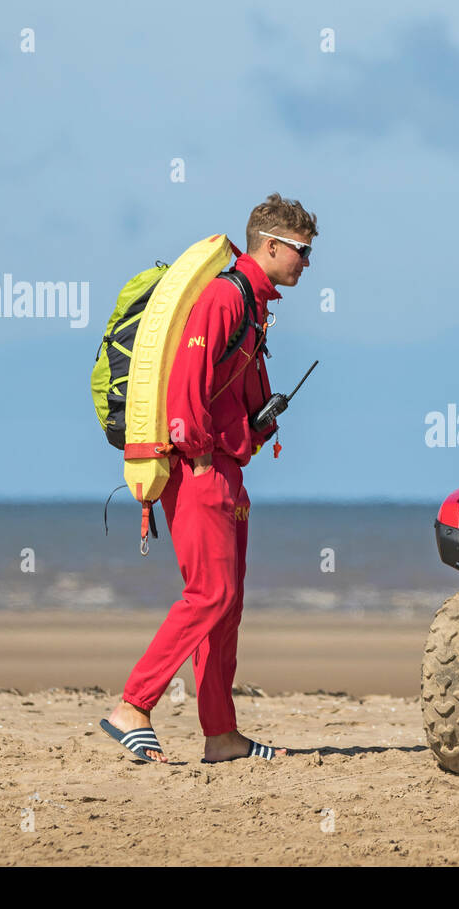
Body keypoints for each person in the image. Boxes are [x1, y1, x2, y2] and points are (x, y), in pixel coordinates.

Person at [103, 193, 317, 764]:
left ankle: (221, 735)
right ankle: (133, 705)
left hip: (228, 467)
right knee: (210, 594)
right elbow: (185, 385)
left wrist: (251, 431)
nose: (305, 263)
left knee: (229, 604)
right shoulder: (226, 296)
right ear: (270, 246)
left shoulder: (254, 306)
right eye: (300, 251)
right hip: (201, 468)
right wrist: (198, 454)